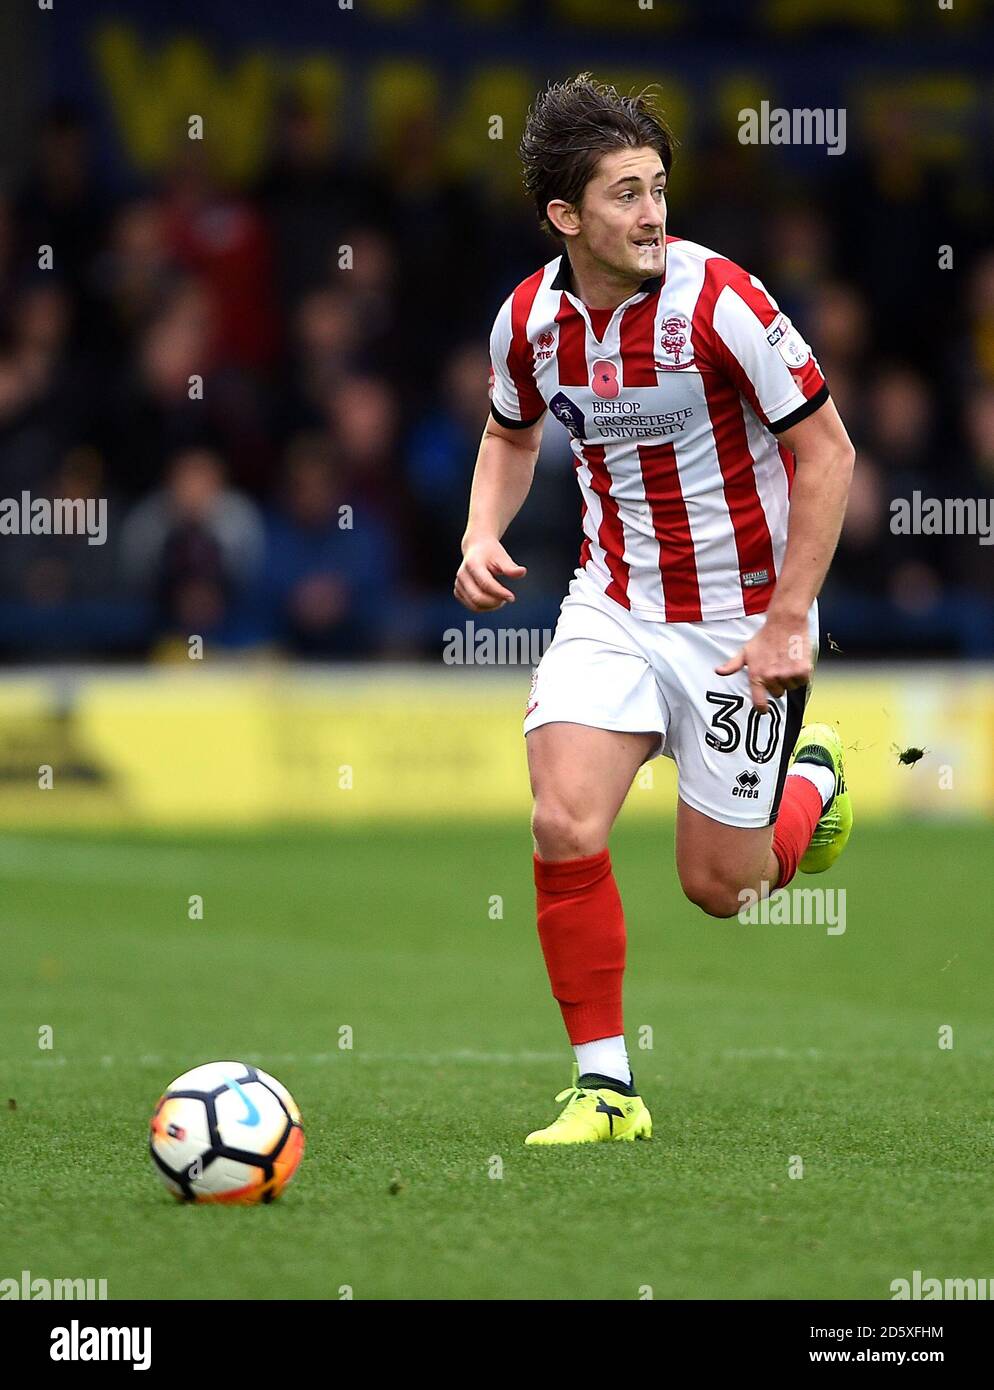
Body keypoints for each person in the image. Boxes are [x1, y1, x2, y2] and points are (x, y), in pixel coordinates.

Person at [453, 75, 856, 1145]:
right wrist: (479, 532)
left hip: (741, 625)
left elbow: (827, 452)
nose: (651, 214)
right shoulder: (529, 321)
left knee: (721, 887)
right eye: (625, 195)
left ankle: (811, 781)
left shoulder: (720, 300)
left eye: (657, 189)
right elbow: (508, 430)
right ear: (565, 216)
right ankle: (605, 1089)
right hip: (615, 605)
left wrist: (787, 620)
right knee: (561, 819)